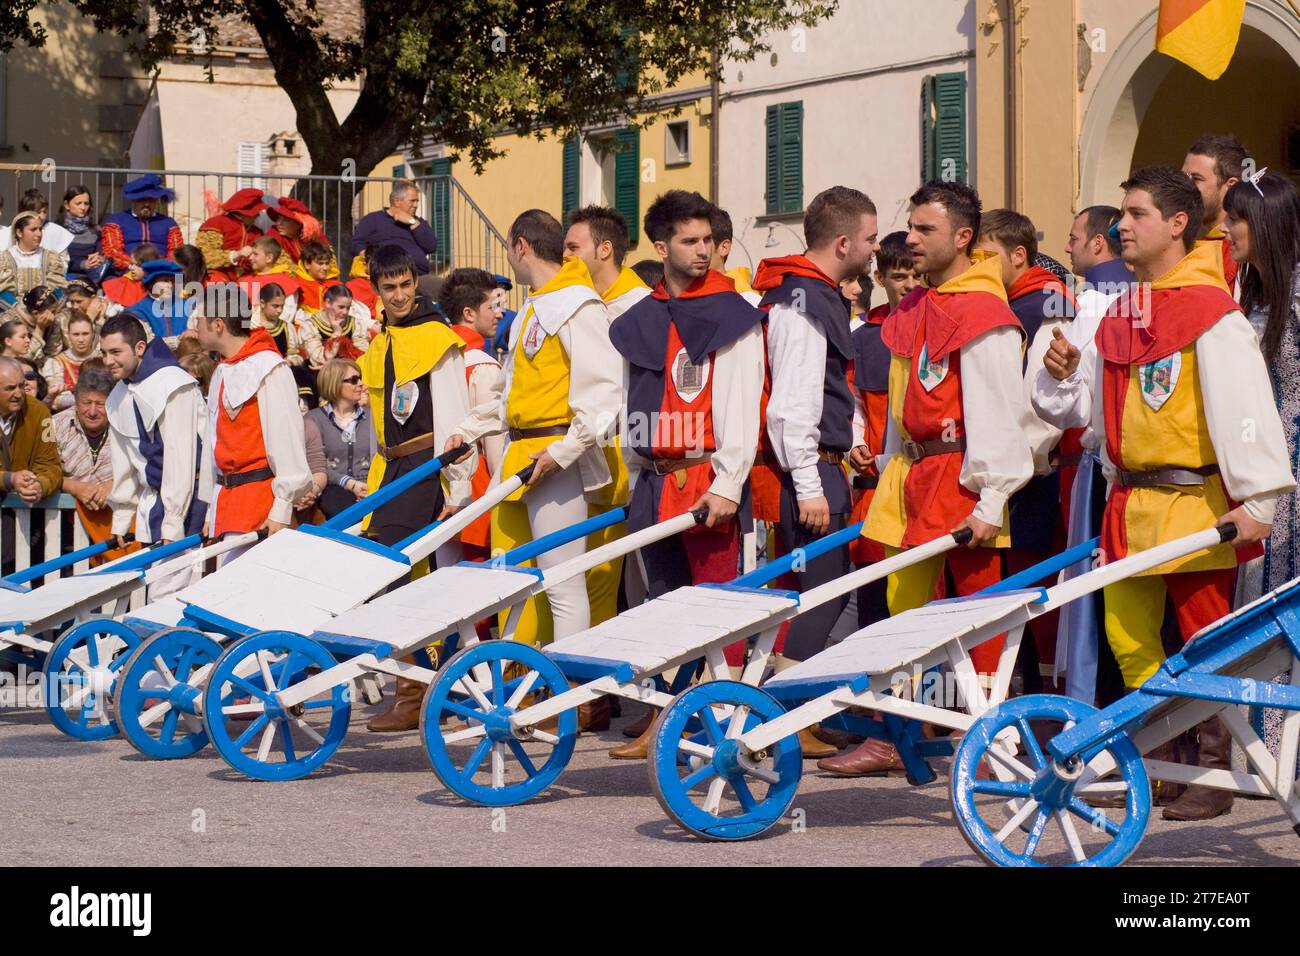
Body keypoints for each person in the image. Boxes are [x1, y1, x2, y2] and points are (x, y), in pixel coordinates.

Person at [1039, 165, 1294, 821]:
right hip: (1127, 506)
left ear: (1178, 224)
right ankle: (1158, 760)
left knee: (1205, 646)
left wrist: (1258, 499)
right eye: (1121, 214)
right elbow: (1082, 416)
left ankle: (1210, 770)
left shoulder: (1213, 314)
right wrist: (1060, 373)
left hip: (1195, 509)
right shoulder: (1120, 313)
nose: (1121, 225)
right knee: (1129, 642)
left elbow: (1246, 409)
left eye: (1137, 214)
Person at [607, 189, 766, 758]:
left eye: (707, 240)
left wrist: (728, 482)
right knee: (668, 606)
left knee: (716, 606)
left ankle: (724, 727)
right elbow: (636, 400)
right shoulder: (641, 317)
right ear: (660, 246)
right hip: (655, 481)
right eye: (689, 241)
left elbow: (741, 404)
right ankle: (670, 720)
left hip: (705, 479)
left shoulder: (734, 313)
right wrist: (633, 473)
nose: (704, 251)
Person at [862, 180, 1034, 698]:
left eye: (925, 229)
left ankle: (988, 736)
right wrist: (888, 463)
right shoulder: (913, 307)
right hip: (912, 478)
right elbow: (902, 402)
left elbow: (1001, 413)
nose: (911, 238)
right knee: (903, 611)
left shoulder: (985, 313)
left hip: (965, 481)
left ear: (962, 237)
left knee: (979, 616)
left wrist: (993, 498)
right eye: (911, 226)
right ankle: (898, 730)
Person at [447, 210, 621, 649]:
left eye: (509, 248)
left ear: (520, 245)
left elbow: (604, 393)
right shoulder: (533, 307)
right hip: (518, 457)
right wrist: (467, 429)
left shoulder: (577, 304)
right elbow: (510, 398)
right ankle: (521, 683)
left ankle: (570, 699)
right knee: (511, 581)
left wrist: (562, 453)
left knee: (562, 584)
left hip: (553, 460)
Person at [752, 187, 880, 700]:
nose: (876, 249)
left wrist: (848, 442)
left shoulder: (806, 293)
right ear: (844, 242)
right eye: (870, 240)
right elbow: (791, 405)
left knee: (811, 590)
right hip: (808, 473)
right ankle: (787, 707)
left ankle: (779, 701)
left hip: (817, 464)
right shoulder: (803, 300)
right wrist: (810, 485)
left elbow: (823, 389)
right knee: (822, 594)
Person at [817, 232, 925, 776]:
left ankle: (923, 726)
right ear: (879, 278)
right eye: (897, 274)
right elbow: (849, 397)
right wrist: (857, 440)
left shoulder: (935, 321)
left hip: (926, 484)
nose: (907, 282)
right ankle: (883, 730)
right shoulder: (863, 336)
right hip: (874, 491)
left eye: (914, 272)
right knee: (877, 606)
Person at [359, 244, 475, 733]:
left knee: (399, 571)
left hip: (426, 467)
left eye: (407, 284)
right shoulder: (382, 341)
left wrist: (457, 484)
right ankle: (414, 682)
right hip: (389, 472)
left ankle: (415, 689)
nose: (401, 294)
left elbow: (453, 413)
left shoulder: (436, 338)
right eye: (390, 287)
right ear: (378, 292)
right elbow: (379, 422)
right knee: (388, 574)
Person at [974, 208, 1079, 694]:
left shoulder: (1045, 305)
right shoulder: (1008, 301)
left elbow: (1041, 409)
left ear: (1018, 255)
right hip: (1016, 477)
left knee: (1035, 598)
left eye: (985, 254)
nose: (977, 262)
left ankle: (1045, 713)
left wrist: (1020, 468)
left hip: (1033, 480)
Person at [194, 284, 312, 544]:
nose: (194, 328)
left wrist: (281, 510)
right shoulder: (222, 371)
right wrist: (212, 510)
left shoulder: (270, 368)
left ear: (217, 324)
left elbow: (287, 441)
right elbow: (215, 448)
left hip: (261, 509)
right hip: (228, 506)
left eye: (198, 320)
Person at [101, 312, 207, 557]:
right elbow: (124, 463)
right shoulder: (117, 394)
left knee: (172, 589)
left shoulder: (174, 385)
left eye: (116, 352)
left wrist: (173, 522)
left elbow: (181, 460)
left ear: (139, 348)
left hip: (189, 504)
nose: (107, 361)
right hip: (153, 505)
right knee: (156, 588)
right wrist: (122, 518)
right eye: (104, 353)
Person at [441, 267, 506, 557]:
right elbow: (494, 446)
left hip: (439, 484)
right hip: (476, 489)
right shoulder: (483, 365)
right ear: (469, 313)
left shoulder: (438, 359)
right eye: (493, 306)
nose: (500, 314)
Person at [305, 358, 376, 519]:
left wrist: (370, 487)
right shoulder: (314, 419)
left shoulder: (372, 417)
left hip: (370, 488)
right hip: (333, 489)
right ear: (335, 383)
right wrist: (350, 484)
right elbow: (316, 464)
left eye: (360, 377)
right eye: (353, 380)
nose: (361, 384)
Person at [52, 366, 116, 543]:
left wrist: (115, 484)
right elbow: (40, 470)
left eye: (100, 404)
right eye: (86, 403)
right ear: (75, 401)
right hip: (65, 530)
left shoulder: (126, 425)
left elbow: (142, 465)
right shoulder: (52, 425)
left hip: (118, 529)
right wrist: (73, 487)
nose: (93, 411)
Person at [1182, 133, 1247, 292]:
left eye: (1196, 179)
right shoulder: (1187, 243)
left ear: (1230, 186)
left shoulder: (1244, 252)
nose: (1184, 186)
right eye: (1183, 177)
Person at [0, 356, 61, 502]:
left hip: (25, 514)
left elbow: (50, 465)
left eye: (21, 386)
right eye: (10, 388)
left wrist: (40, 485)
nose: (19, 394)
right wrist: (10, 479)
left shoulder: (40, 412)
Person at [99, 175, 183, 277]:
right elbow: (113, 253)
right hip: (126, 273)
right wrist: (134, 268)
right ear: (133, 200)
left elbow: (176, 253)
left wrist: (156, 270)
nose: (147, 204)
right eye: (142, 199)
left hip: (161, 274)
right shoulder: (116, 221)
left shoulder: (169, 223)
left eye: (151, 199)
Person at [350, 181, 439, 275]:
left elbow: (431, 247)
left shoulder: (418, 223)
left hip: (418, 275)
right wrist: (373, 262)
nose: (416, 205)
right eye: (412, 201)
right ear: (397, 201)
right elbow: (356, 244)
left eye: (417, 201)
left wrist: (412, 222)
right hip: (386, 274)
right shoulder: (373, 219)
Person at [195, 188, 268, 281]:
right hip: (218, 275)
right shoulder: (215, 224)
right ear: (243, 212)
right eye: (256, 212)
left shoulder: (257, 232)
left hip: (247, 278)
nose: (258, 216)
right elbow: (205, 257)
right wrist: (237, 254)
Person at [0, 212, 68, 306]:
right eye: (33, 230)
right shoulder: (5, 259)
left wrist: (44, 309)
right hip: (14, 314)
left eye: (40, 229)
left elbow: (59, 289)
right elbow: (2, 292)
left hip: (46, 311)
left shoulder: (50, 258)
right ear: (19, 232)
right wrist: (19, 311)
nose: (39, 234)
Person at [123, 260, 195, 341]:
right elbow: (146, 343)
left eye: (172, 281)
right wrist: (179, 340)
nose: (170, 285)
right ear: (151, 283)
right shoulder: (137, 312)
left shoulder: (189, 305)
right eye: (165, 281)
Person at [708, 205, 762, 307]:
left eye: (706, 241)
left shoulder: (749, 303)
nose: (696, 249)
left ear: (724, 248)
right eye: (689, 242)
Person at [55, 186, 108, 286]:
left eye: (86, 203)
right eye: (78, 203)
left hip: (91, 279)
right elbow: (56, 262)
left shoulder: (96, 230)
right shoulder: (58, 230)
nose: (83, 208)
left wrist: (99, 258)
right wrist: (83, 264)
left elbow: (103, 253)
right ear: (67, 205)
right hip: (64, 279)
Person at [47, 311, 100, 411]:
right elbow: (56, 401)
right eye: (76, 334)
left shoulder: (103, 359)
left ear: (93, 334)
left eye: (85, 334)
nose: (81, 339)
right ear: (69, 335)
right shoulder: (56, 362)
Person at [265, 196, 321, 270]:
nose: (279, 223)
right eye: (278, 218)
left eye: (285, 220)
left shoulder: (309, 237)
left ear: (298, 224)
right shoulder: (274, 234)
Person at [102, 243, 158, 308]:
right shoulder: (123, 282)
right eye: (131, 264)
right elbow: (107, 300)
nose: (131, 268)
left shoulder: (159, 284)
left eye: (138, 265)